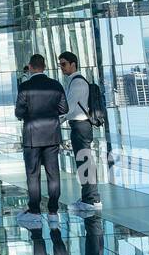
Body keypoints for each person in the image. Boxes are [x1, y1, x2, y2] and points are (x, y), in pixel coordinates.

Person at [15, 53, 68, 229]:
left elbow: (19, 112)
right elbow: (63, 109)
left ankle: (35, 211)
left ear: (30, 67)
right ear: (44, 67)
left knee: (33, 174)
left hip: (32, 137)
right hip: (52, 135)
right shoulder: (55, 85)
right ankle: (53, 211)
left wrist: (29, 113)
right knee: (53, 174)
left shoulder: (25, 87)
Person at [58, 51, 101, 211]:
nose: (61, 68)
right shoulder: (75, 81)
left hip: (80, 126)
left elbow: (68, 107)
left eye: (64, 64)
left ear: (73, 64)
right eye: (60, 65)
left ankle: (89, 200)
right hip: (81, 125)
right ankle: (92, 198)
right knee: (86, 162)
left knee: (84, 162)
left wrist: (56, 121)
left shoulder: (77, 83)